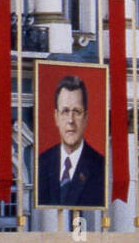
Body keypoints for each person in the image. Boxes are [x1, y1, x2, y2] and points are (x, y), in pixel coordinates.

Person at [37, 75, 105, 207]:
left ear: (85, 117)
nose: (70, 120)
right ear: (56, 117)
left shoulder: (100, 165)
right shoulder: (42, 163)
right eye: (65, 111)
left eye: (77, 112)